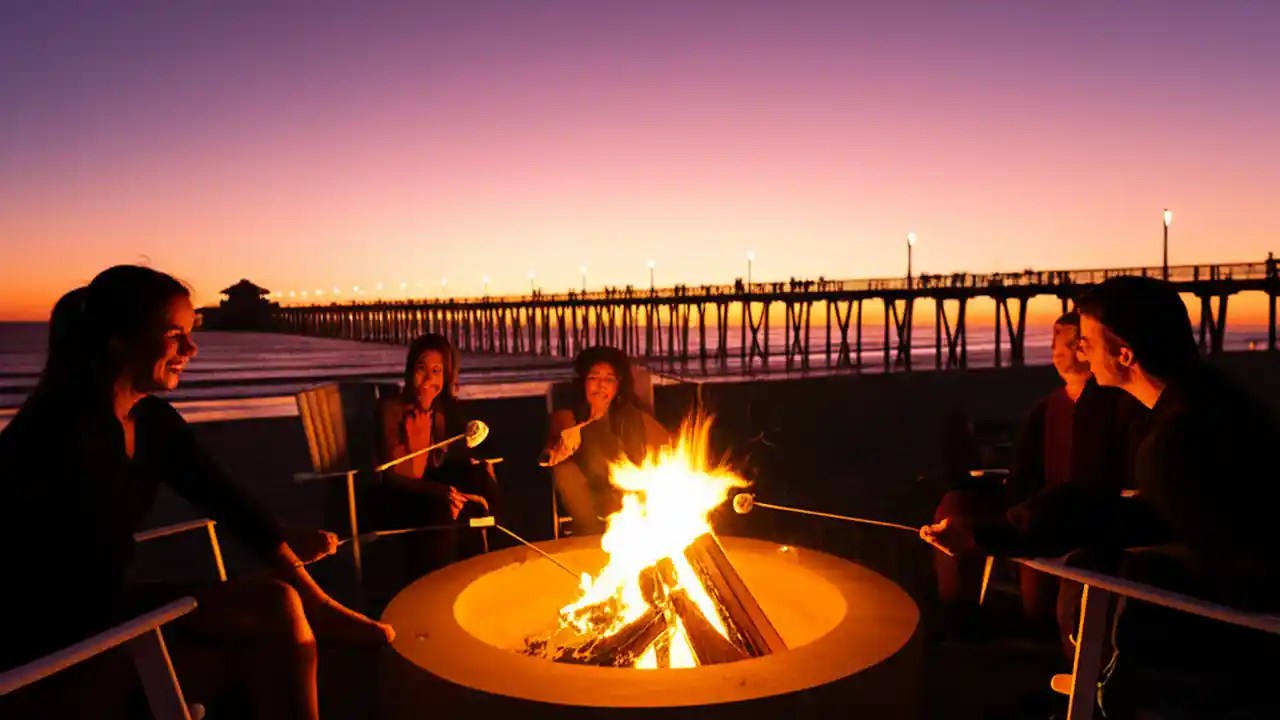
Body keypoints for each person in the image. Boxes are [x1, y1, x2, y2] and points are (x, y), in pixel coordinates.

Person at [0, 266, 392, 720]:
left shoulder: (151, 423)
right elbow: (42, 583)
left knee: (280, 611)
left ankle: (318, 608)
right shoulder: (56, 434)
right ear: (118, 339)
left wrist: (293, 564)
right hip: (56, 642)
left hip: (113, 607)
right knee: (269, 637)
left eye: (191, 333)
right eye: (174, 335)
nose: (192, 349)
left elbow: (228, 500)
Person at [926, 276, 1280, 718]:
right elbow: (1151, 513)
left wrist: (999, 536)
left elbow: (1156, 526)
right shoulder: (1209, 401)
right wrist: (999, 533)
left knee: (1108, 572)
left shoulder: (1182, 434)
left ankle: (1105, 697)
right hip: (1244, 605)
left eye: (1088, 342)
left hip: (1246, 630)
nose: (1082, 352)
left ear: (1125, 354)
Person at [929, 312, 1144, 646]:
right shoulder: (1044, 409)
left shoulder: (1120, 407)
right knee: (955, 504)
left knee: (1044, 531)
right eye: (1056, 340)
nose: (1057, 349)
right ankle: (959, 619)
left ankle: (1043, 637)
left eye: (1072, 342)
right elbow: (1021, 477)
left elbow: (1107, 486)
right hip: (1036, 506)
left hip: (1086, 516)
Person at [375, 333, 499, 573]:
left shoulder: (440, 411)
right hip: (396, 495)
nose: (428, 378)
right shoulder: (390, 409)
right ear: (410, 370)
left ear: (446, 376)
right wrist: (443, 492)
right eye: (422, 368)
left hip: (429, 486)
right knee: (441, 504)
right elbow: (402, 475)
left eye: (437, 371)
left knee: (480, 480)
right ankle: (435, 581)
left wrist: (472, 475)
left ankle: (483, 571)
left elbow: (444, 462)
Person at [544, 346, 669, 535]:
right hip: (590, 499)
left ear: (618, 387)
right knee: (564, 469)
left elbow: (669, 444)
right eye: (594, 378)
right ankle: (594, 536)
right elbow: (553, 446)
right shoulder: (569, 416)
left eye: (609, 379)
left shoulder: (631, 417)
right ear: (583, 382)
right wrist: (562, 444)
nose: (601, 385)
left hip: (629, 495)